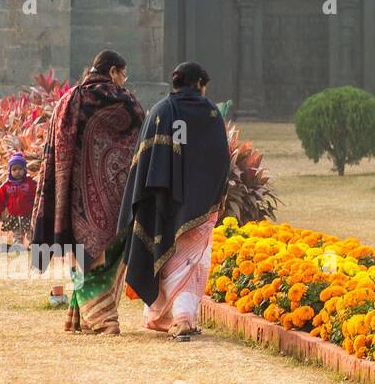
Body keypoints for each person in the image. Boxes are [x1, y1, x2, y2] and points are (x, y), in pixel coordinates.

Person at [30, 50, 145, 334]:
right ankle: (104, 319)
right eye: (123, 73)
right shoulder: (127, 101)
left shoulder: (70, 100)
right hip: (119, 198)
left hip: (76, 199)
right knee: (106, 257)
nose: (124, 80)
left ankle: (84, 316)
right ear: (114, 71)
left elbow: (56, 149)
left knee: (81, 256)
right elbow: (139, 142)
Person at [118, 62, 231, 341]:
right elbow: (220, 161)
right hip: (199, 210)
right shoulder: (210, 113)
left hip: (160, 206)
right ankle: (181, 318)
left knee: (167, 259)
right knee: (190, 263)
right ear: (200, 84)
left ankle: (164, 316)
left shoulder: (159, 112)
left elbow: (143, 164)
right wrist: (213, 197)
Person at [0, 153, 36, 251]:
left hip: (28, 214)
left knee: (30, 230)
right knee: (17, 232)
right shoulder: (6, 187)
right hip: (14, 215)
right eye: (14, 169)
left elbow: (36, 195)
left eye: (20, 169)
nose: (17, 172)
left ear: (24, 170)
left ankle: (32, 244)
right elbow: (0, 199)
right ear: (10, 171)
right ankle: (18, 244)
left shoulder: (30, 183)